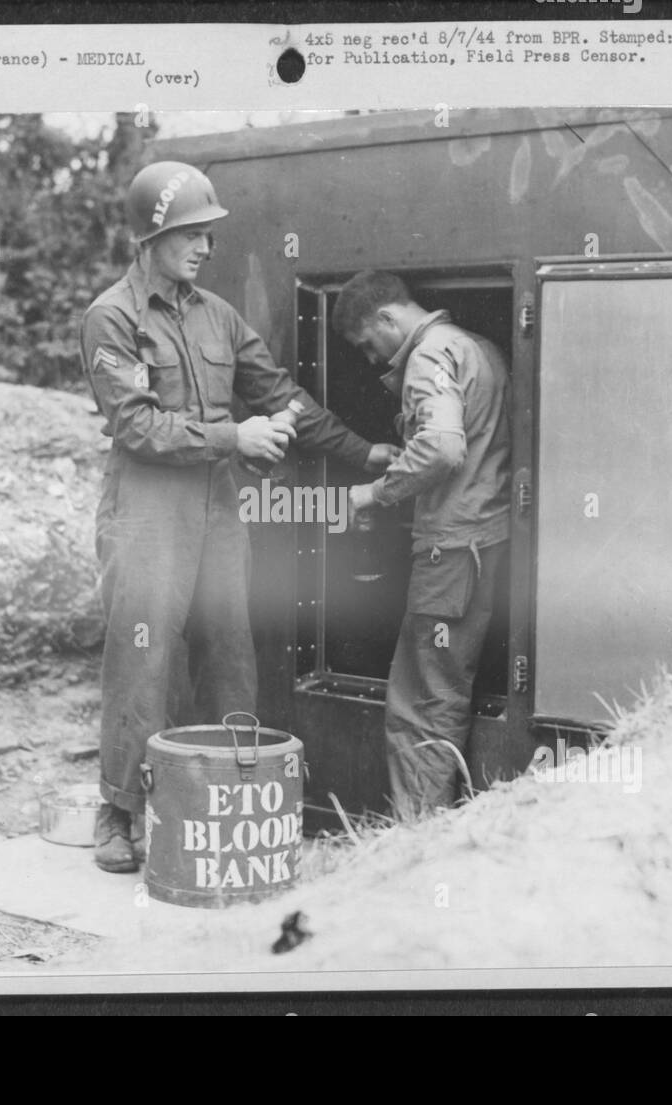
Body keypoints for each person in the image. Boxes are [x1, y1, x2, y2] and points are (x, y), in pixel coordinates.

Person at [80, 162, 398, 872]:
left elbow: (281, 394)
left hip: (217, 503)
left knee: (229, 649)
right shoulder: (112, 318)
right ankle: (118, 809)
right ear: (151, 236)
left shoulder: (217, 315)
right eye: (191, 233)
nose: (204, 248)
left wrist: (363, 450)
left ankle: (222, 798)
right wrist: (236, 437)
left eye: (209, 236)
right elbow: (138, 428)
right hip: (147, 505)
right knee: (144, 655)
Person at [332, 271, 513, 820]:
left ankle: (415, 837)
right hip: (484, 538)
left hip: (452, 549)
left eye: (368, 343)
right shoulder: (474, 347)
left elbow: (439, 446)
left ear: (389, 318)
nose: (369, 359)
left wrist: (373, 494)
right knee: (444, 690)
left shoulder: (427, 358)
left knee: (420, 703)